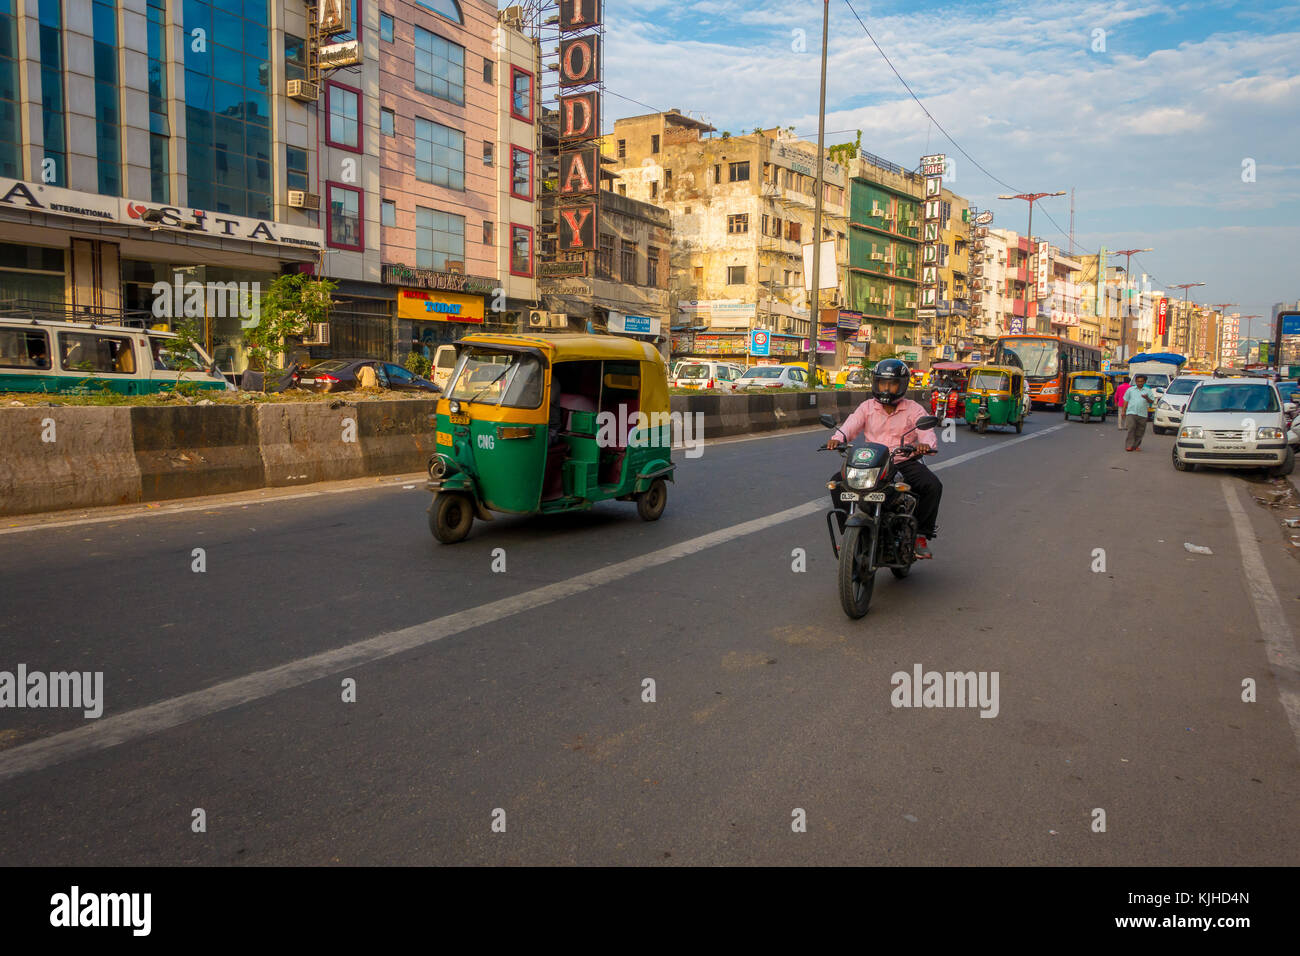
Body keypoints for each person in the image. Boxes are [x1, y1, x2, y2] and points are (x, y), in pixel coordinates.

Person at [827, 358, 942, 558]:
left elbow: (927, 433)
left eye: (892, 384)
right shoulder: (867, 407)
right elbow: (850, 426)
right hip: (872, 463)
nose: (887, 389)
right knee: (837, 483)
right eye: (883, 383)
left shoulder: (914, 409)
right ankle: (847, 536)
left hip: (902, 462)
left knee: (932, 485)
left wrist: (925, 446)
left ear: (902, 385)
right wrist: (837, 439)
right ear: (876, 383)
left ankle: (920, 536)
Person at [1122, 374, 1155, 451]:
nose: (1139, 383)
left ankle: (1136, 445)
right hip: (1131, 412)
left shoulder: (1148, 391)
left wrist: (1147, 398)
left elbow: (1151, 401)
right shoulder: (1130, 390)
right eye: (1138, 381)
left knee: (1140, 431)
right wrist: (1123, 411)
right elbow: (1126, 400)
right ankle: (1129, 445)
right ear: (1135, 381)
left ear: (1144, 382)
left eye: (1141, 381)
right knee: (1131, 428)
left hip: (1142, 413)